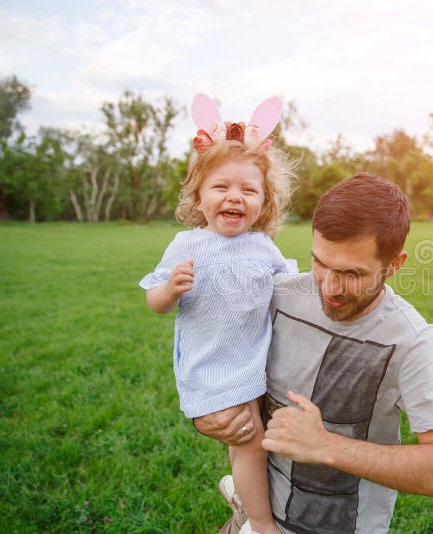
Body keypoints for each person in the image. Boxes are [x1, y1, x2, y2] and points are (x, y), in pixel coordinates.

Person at [196, 173, 433, 533]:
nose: (330, 287)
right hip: (254, 520)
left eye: (352, 273)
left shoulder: (410, 341)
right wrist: (206, 420)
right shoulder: (277, 297)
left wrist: (325, 446)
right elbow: (221, 371)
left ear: (394, 265)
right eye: (320, 263)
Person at [139, 96, 296, 534]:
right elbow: (154, 300)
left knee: (260, 441)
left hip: (254, 361)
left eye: (248, 190)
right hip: (212, 367)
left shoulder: (262, 247)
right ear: (199, 194)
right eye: (221, 187)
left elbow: (288, 289)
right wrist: (170, 289)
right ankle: (261, 524)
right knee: (250, 444)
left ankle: (243, 493)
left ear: (264, 202)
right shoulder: (187, 245)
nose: (234, 197)